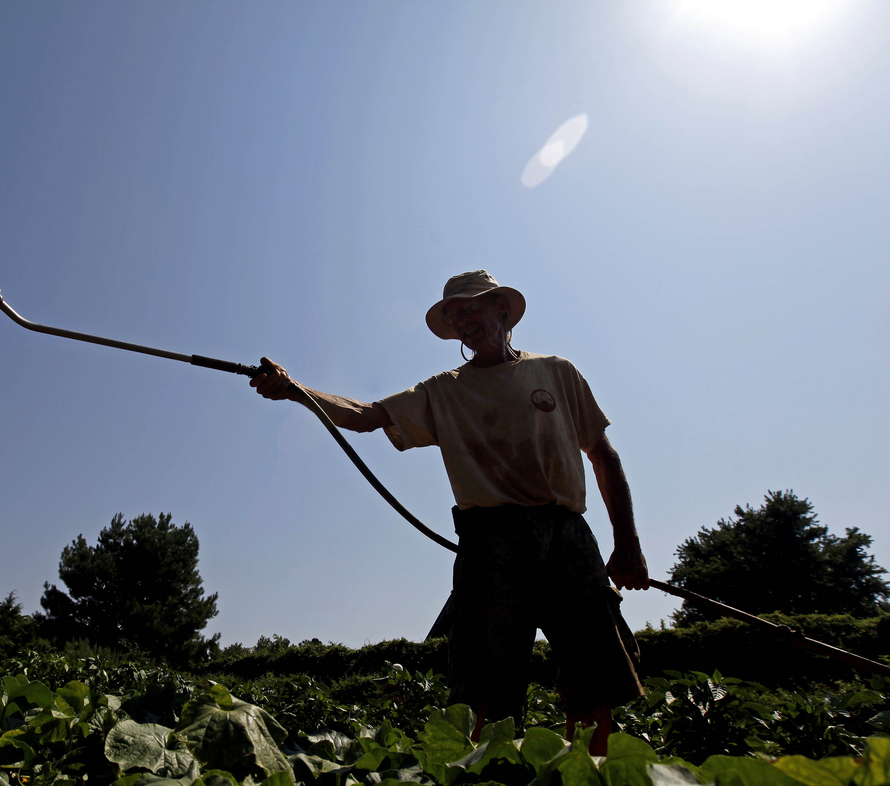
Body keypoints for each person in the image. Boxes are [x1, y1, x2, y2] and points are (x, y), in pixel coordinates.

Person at [250, 270, 648, 755]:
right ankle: (486, 772)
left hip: (568, 535)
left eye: (470, 307)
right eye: (453, 315)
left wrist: (627, 544)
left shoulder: (557, 372)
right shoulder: (444, 390)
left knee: (593, 677)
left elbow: (603, 455)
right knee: (483, 685)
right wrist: (295, 389)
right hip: (491, 541)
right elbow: (364, 415)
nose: (462, 319)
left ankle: (591, 769)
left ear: (501, 309)